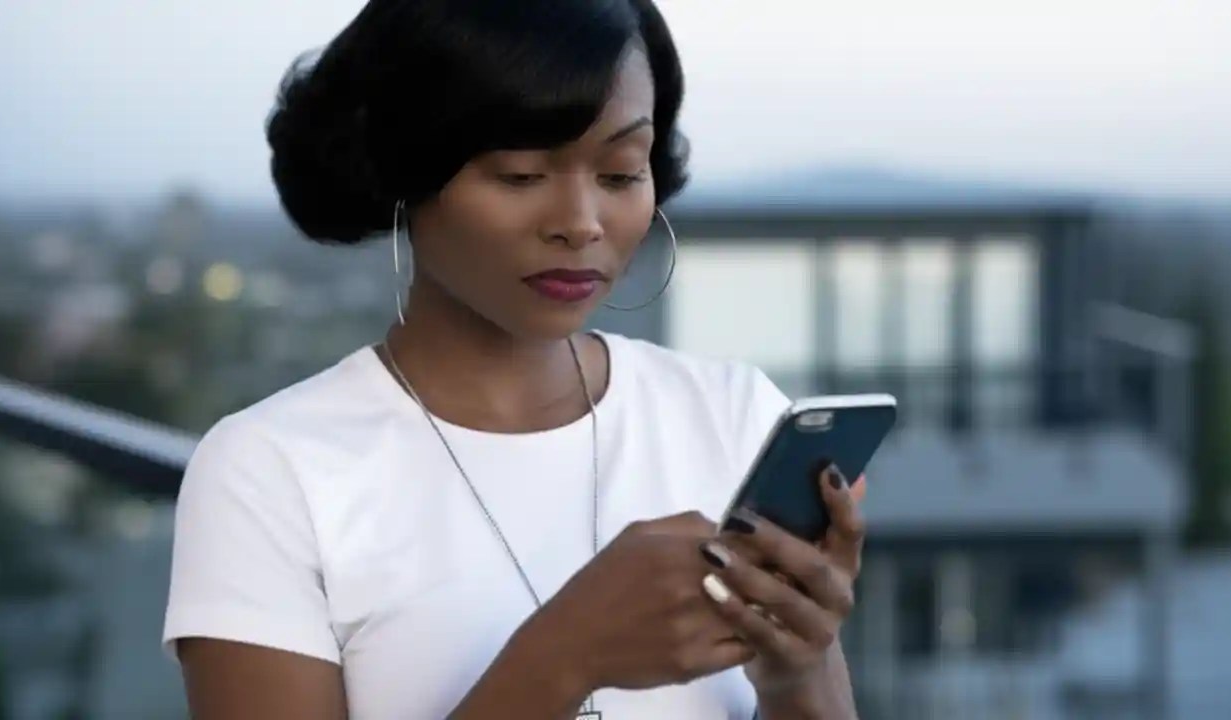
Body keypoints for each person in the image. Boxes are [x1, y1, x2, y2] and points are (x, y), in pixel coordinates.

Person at [163, 0, 867, 718]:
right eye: (521, 174)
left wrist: (793, 669)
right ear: (407, 172)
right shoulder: (270, 473)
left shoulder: (731, 416)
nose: (580, 223)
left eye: (622, 173)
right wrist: (564, 657)